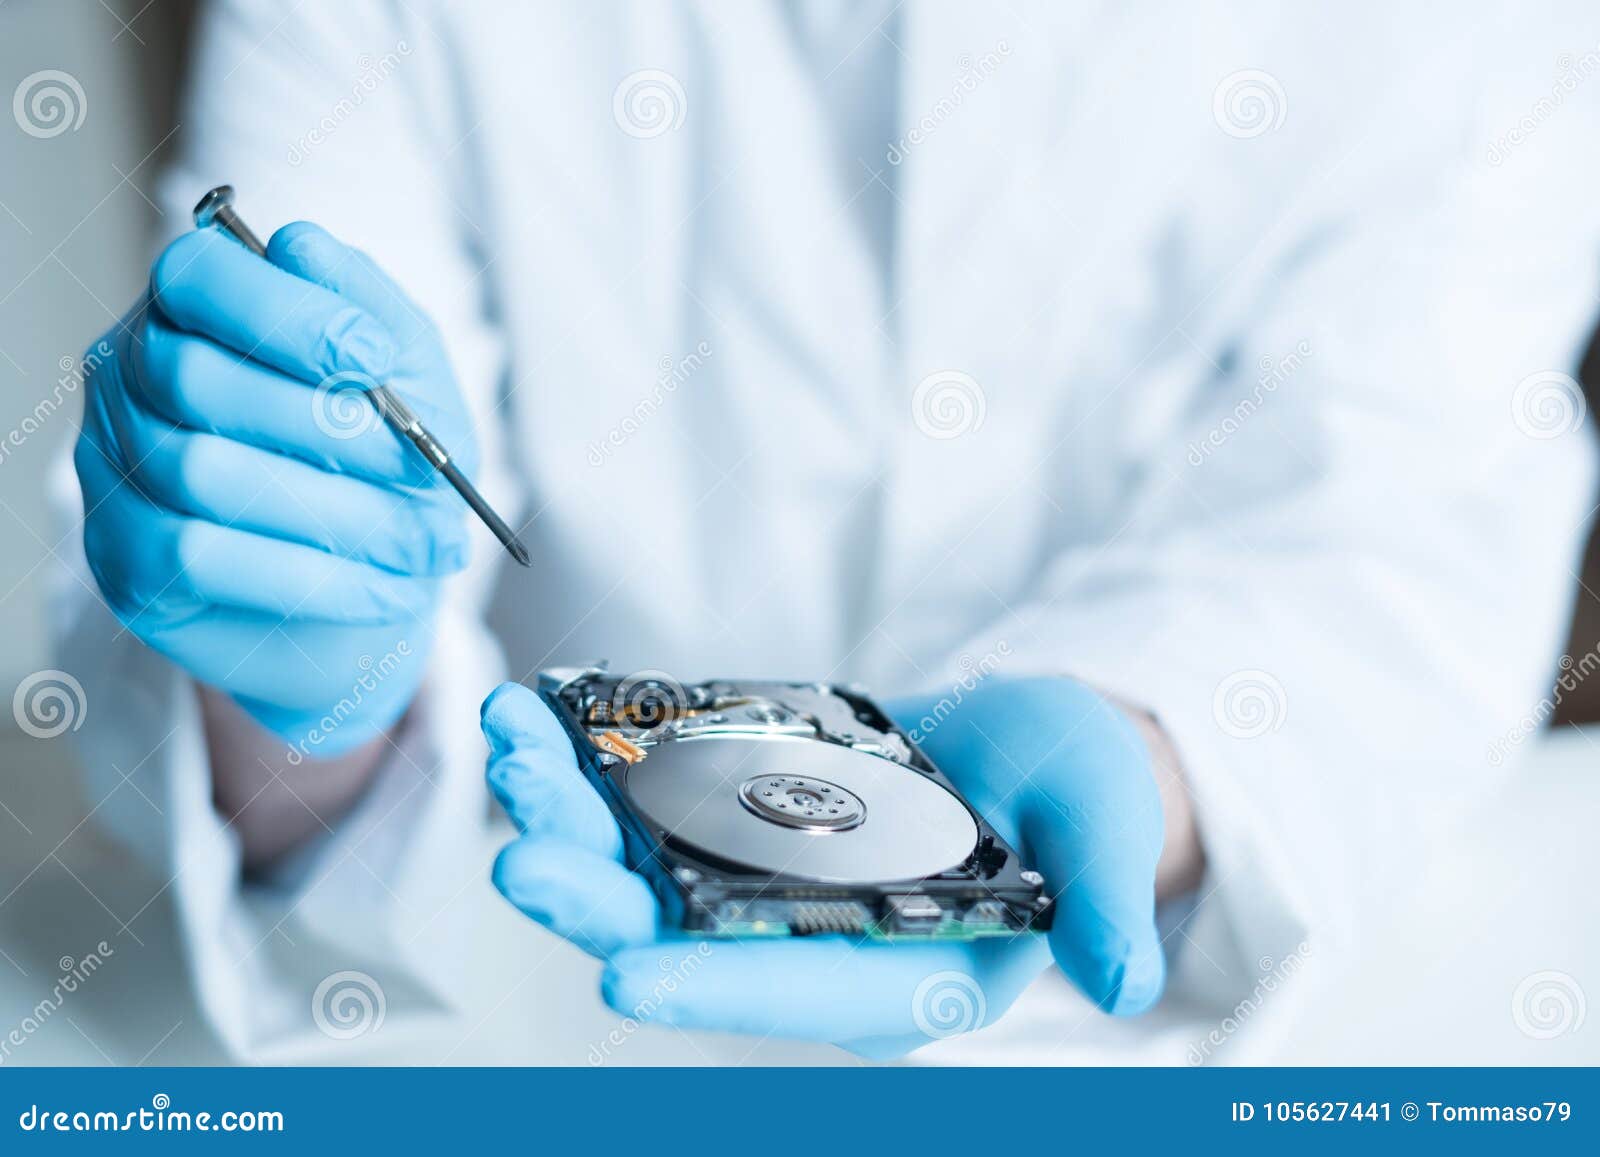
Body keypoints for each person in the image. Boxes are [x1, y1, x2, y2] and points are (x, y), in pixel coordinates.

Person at [53, 0, 1600, 1062]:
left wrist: (1154, 751)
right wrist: (315, 693)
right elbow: (281, 539)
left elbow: (1404, 495)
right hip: (530, 1003)